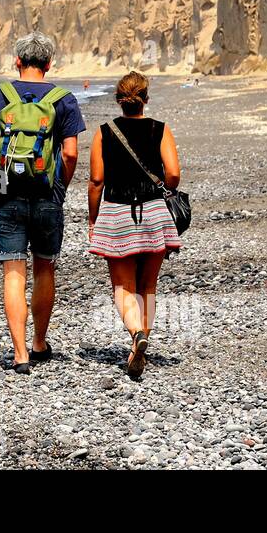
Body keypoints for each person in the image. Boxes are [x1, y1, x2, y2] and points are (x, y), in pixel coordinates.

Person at [0, 32, 86, 373]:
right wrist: (59, 190)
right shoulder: (63, 99)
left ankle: (20, 354)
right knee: (44, 268)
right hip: (47, 194)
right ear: (49, 63)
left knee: (13, 272)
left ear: (17, 61)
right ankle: (39, 342)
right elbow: (69, 153)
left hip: (7, 192)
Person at [87, 71, 181, 380]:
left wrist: (92, 218)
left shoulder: (104, 132)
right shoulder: (160, 129)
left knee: (122, 287)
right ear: (146, 99)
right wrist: (160, 188)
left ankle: (136, 333)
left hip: (117, 214)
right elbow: (174, 175)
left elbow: (97, 181)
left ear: (119, 99)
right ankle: (138, 345)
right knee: (148, 287)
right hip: (154, 213)